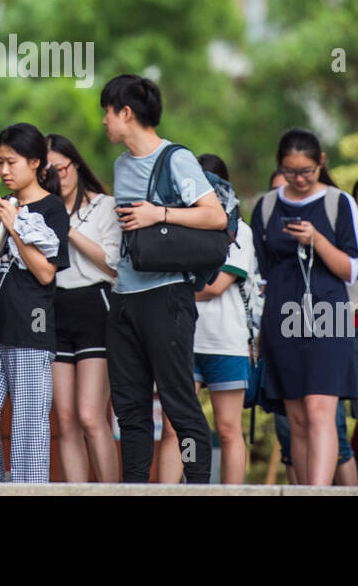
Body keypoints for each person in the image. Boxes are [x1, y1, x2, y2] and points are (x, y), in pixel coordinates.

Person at [101, 75, 226, 484]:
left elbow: (215, 216)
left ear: (126, 113)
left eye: (108, 111)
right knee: (130, 409)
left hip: (166, 297)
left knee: (178, 404)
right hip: (124, 298)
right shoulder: (122, 164)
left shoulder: (175, 159)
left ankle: (198, 487)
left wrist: (161, 213)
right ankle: (134, 489)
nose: (104, 121)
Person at [252, 128, 358, 487]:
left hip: (328, 315)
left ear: (321, 163)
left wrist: (317, 239)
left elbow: (351, 268)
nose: (299, 179)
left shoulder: (338, 202)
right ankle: (304, 489)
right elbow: (260, 272)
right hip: (281, 318)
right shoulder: (267, 205)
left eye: (307, 171)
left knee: (320, 413)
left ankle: (318, 492)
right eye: (290, 171)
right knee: (296, 419)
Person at [0, 123, 69, 482]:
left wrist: (17, 226)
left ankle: (28, 491)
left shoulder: (52, 208)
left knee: (28, 423)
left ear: (36, 163)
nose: (4, 170)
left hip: (29, 327)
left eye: (12, 162)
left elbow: (45, 273)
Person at [159, 153, 252, 485]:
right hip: (184, 339)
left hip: (225, 341)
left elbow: (215, 286)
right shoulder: (177, 227)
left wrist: (170, 290)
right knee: (173, 427)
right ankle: (170, 491)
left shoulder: (241, 231)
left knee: (227, 429)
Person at [45, 132, 120, 483]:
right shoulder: (40, 208)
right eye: (47, 172)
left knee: (91, 414)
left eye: (61, 168)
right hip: (55, 308)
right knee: (65, 418)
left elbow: (113, 264)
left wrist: (68, 229)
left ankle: (111, 491)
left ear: (75, 164)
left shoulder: (104, 205)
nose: (57, 177)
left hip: (95, 305)